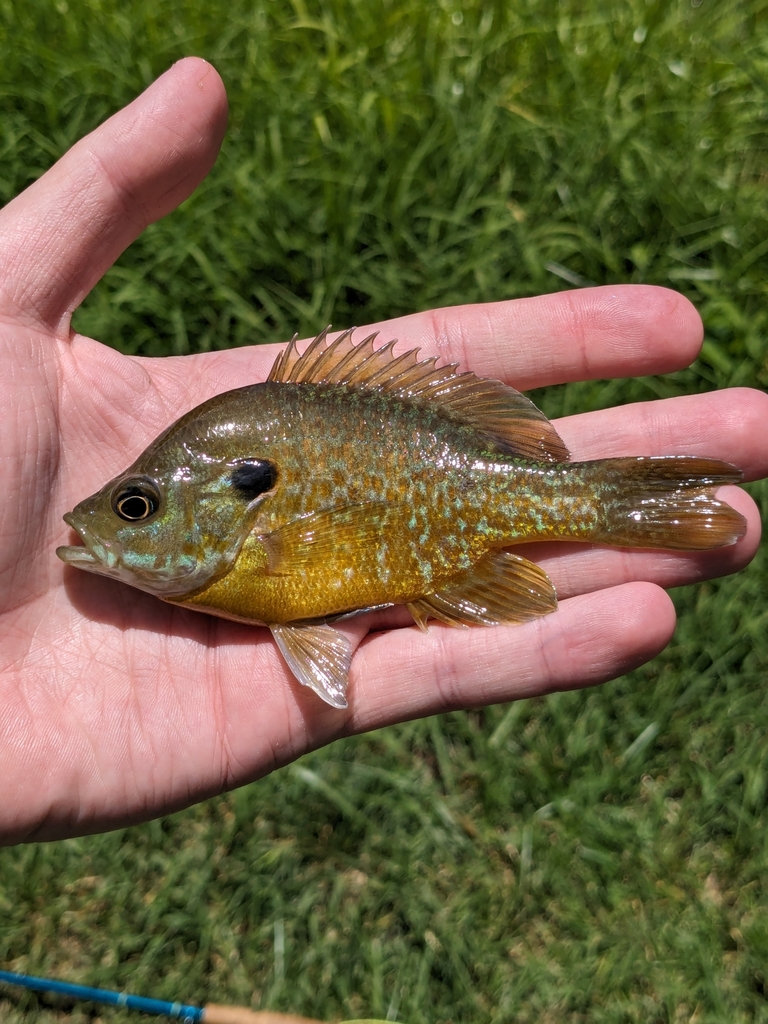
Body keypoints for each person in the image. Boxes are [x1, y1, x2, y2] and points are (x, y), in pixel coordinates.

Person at [0, 58, 764, 847]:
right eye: (136, 505)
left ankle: (612, 501)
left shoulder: (250, 550)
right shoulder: (236, 551)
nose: (116, 519)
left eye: (138, 506)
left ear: (238, 496)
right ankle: (630, 503)